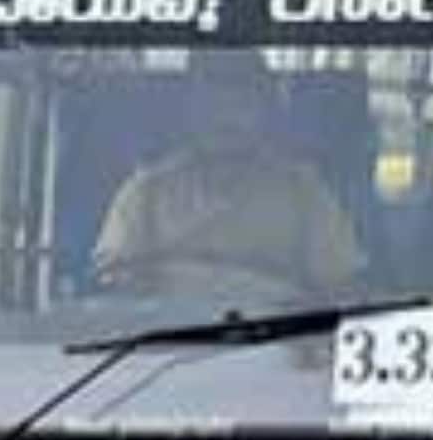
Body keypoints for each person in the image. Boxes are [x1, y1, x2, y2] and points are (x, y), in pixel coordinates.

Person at [92, 49, 364, 301]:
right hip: (163, 348)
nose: (225, 113)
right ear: (188, 108)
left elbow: (341, 291)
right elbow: (115, 291)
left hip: (279, 344)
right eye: (212, 98)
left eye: (241, 99)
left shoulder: (304, 193)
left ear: (266, 109)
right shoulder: (146, 193)